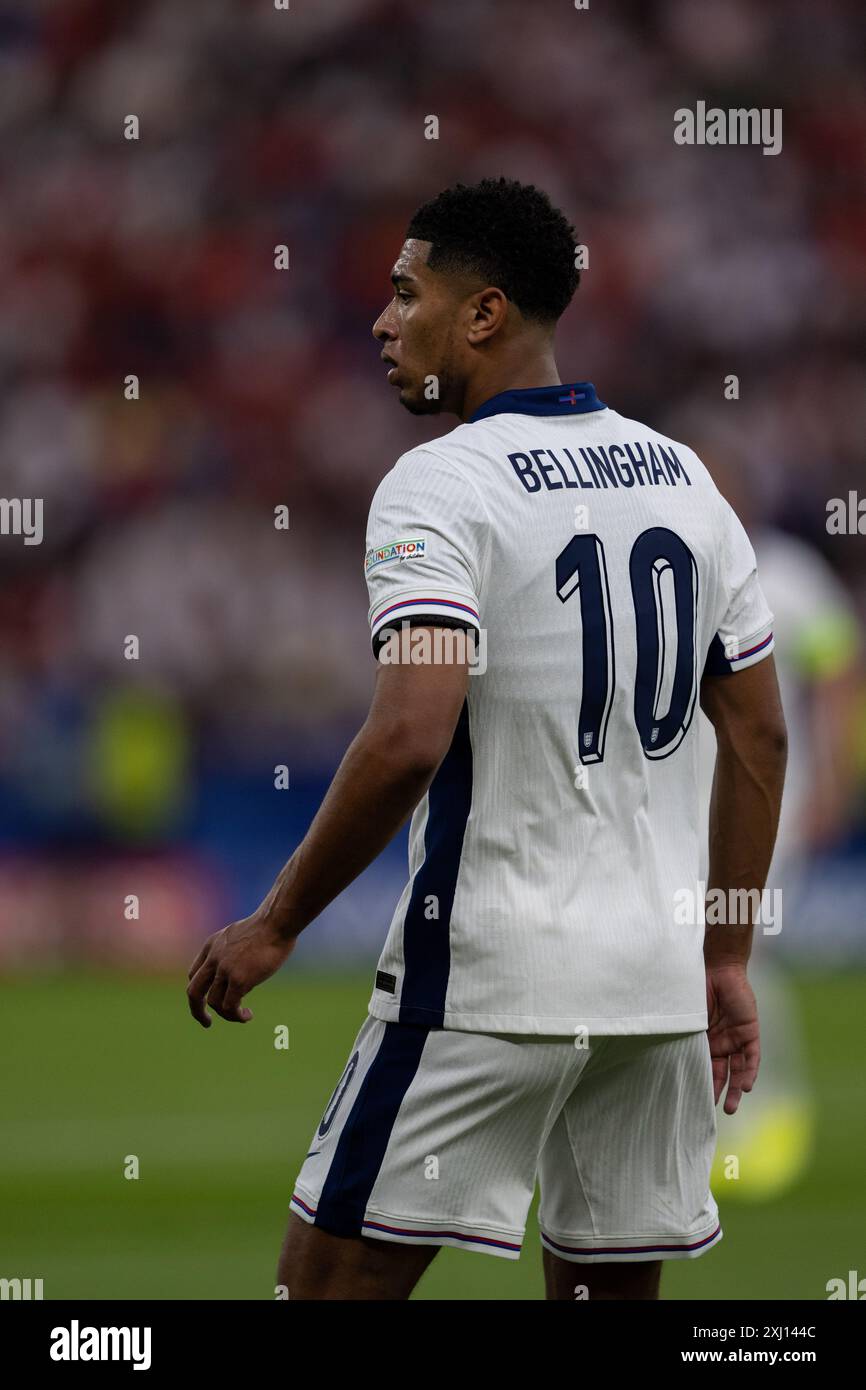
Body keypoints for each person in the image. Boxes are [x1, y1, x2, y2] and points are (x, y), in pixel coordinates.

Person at [186, 178, 787, 1300]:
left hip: (486, 982)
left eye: (405, 292)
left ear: (482, 313)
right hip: (654, 993)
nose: (381, 319)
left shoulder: (439, 483)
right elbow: (756, 730)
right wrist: (724, 956)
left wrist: (274, 923)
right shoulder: (684, 476)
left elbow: (410, 735)